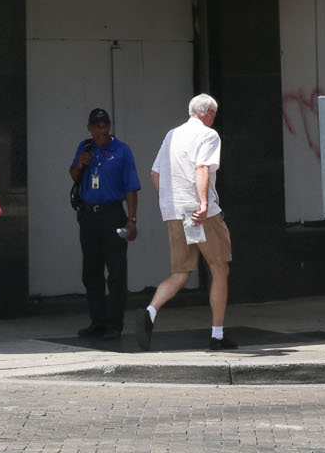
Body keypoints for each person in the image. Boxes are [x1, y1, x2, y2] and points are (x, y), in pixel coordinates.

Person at [140, 92, 232, 352]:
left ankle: (150, 311)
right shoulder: (208, 135)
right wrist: (202, 203)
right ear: (209, 113)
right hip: (201, 214)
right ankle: (217, 336)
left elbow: (155, 172)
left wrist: (171, 201)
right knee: (219, 269)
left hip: (174, 212)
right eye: (214, 115)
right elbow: (202, 168)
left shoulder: (172, 134)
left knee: (180, 274)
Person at [69, 106, 139, 339]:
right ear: (89, 128)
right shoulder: (85, 147)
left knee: (116, 270)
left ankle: (114, 324)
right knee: (91, 271)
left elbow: (131, 187)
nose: (102, 130)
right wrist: (80, 164)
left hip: (113, 215)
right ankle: (97, 321)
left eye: (105, 125)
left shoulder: (122, 150)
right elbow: (74, 175)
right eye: (97, 126)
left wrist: (131, 219)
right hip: (89, 216)